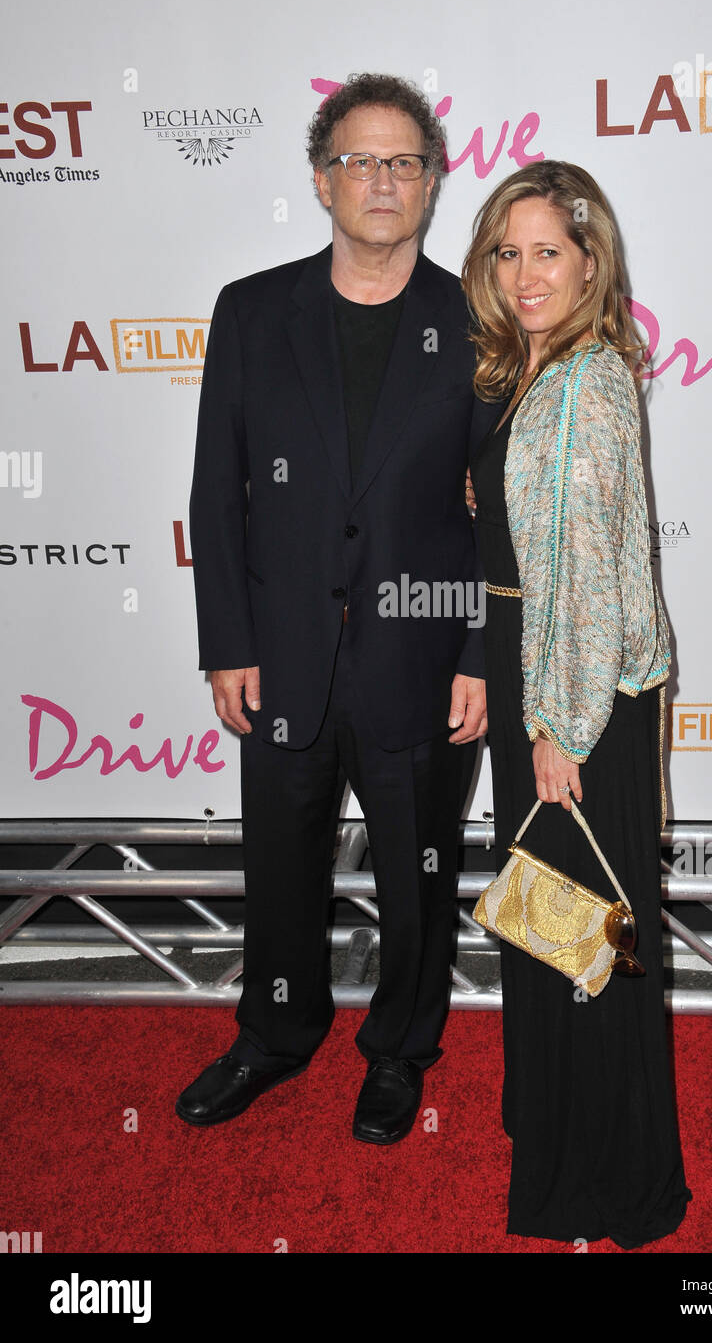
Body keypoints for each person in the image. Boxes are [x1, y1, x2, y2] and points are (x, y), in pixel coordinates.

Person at [177, 73, 491, 1144]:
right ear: (321, 179)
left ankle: (400, 1049)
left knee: (418, 871)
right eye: (359, 159)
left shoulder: (476, 319)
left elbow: (499, 513)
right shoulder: (253, 309)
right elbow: (215, 490)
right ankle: (273, 1033)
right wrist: (227, 640)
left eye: (404, 160)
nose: (382, 180)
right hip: (284, 649)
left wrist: (482, 655)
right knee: (279, 865)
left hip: (425, 648)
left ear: (433, 182)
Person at [462, 160, 692, 1247]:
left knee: (584, 936)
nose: (524, 273)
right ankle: (559, 1140)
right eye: (507, 252)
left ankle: (604, 1185)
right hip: (534, 664)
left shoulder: (591, 379)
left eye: (546, 250)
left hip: (575, 686)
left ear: (590, 261)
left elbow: (593, 571)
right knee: (553, 931)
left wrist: (559, 723)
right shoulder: (531, 366)